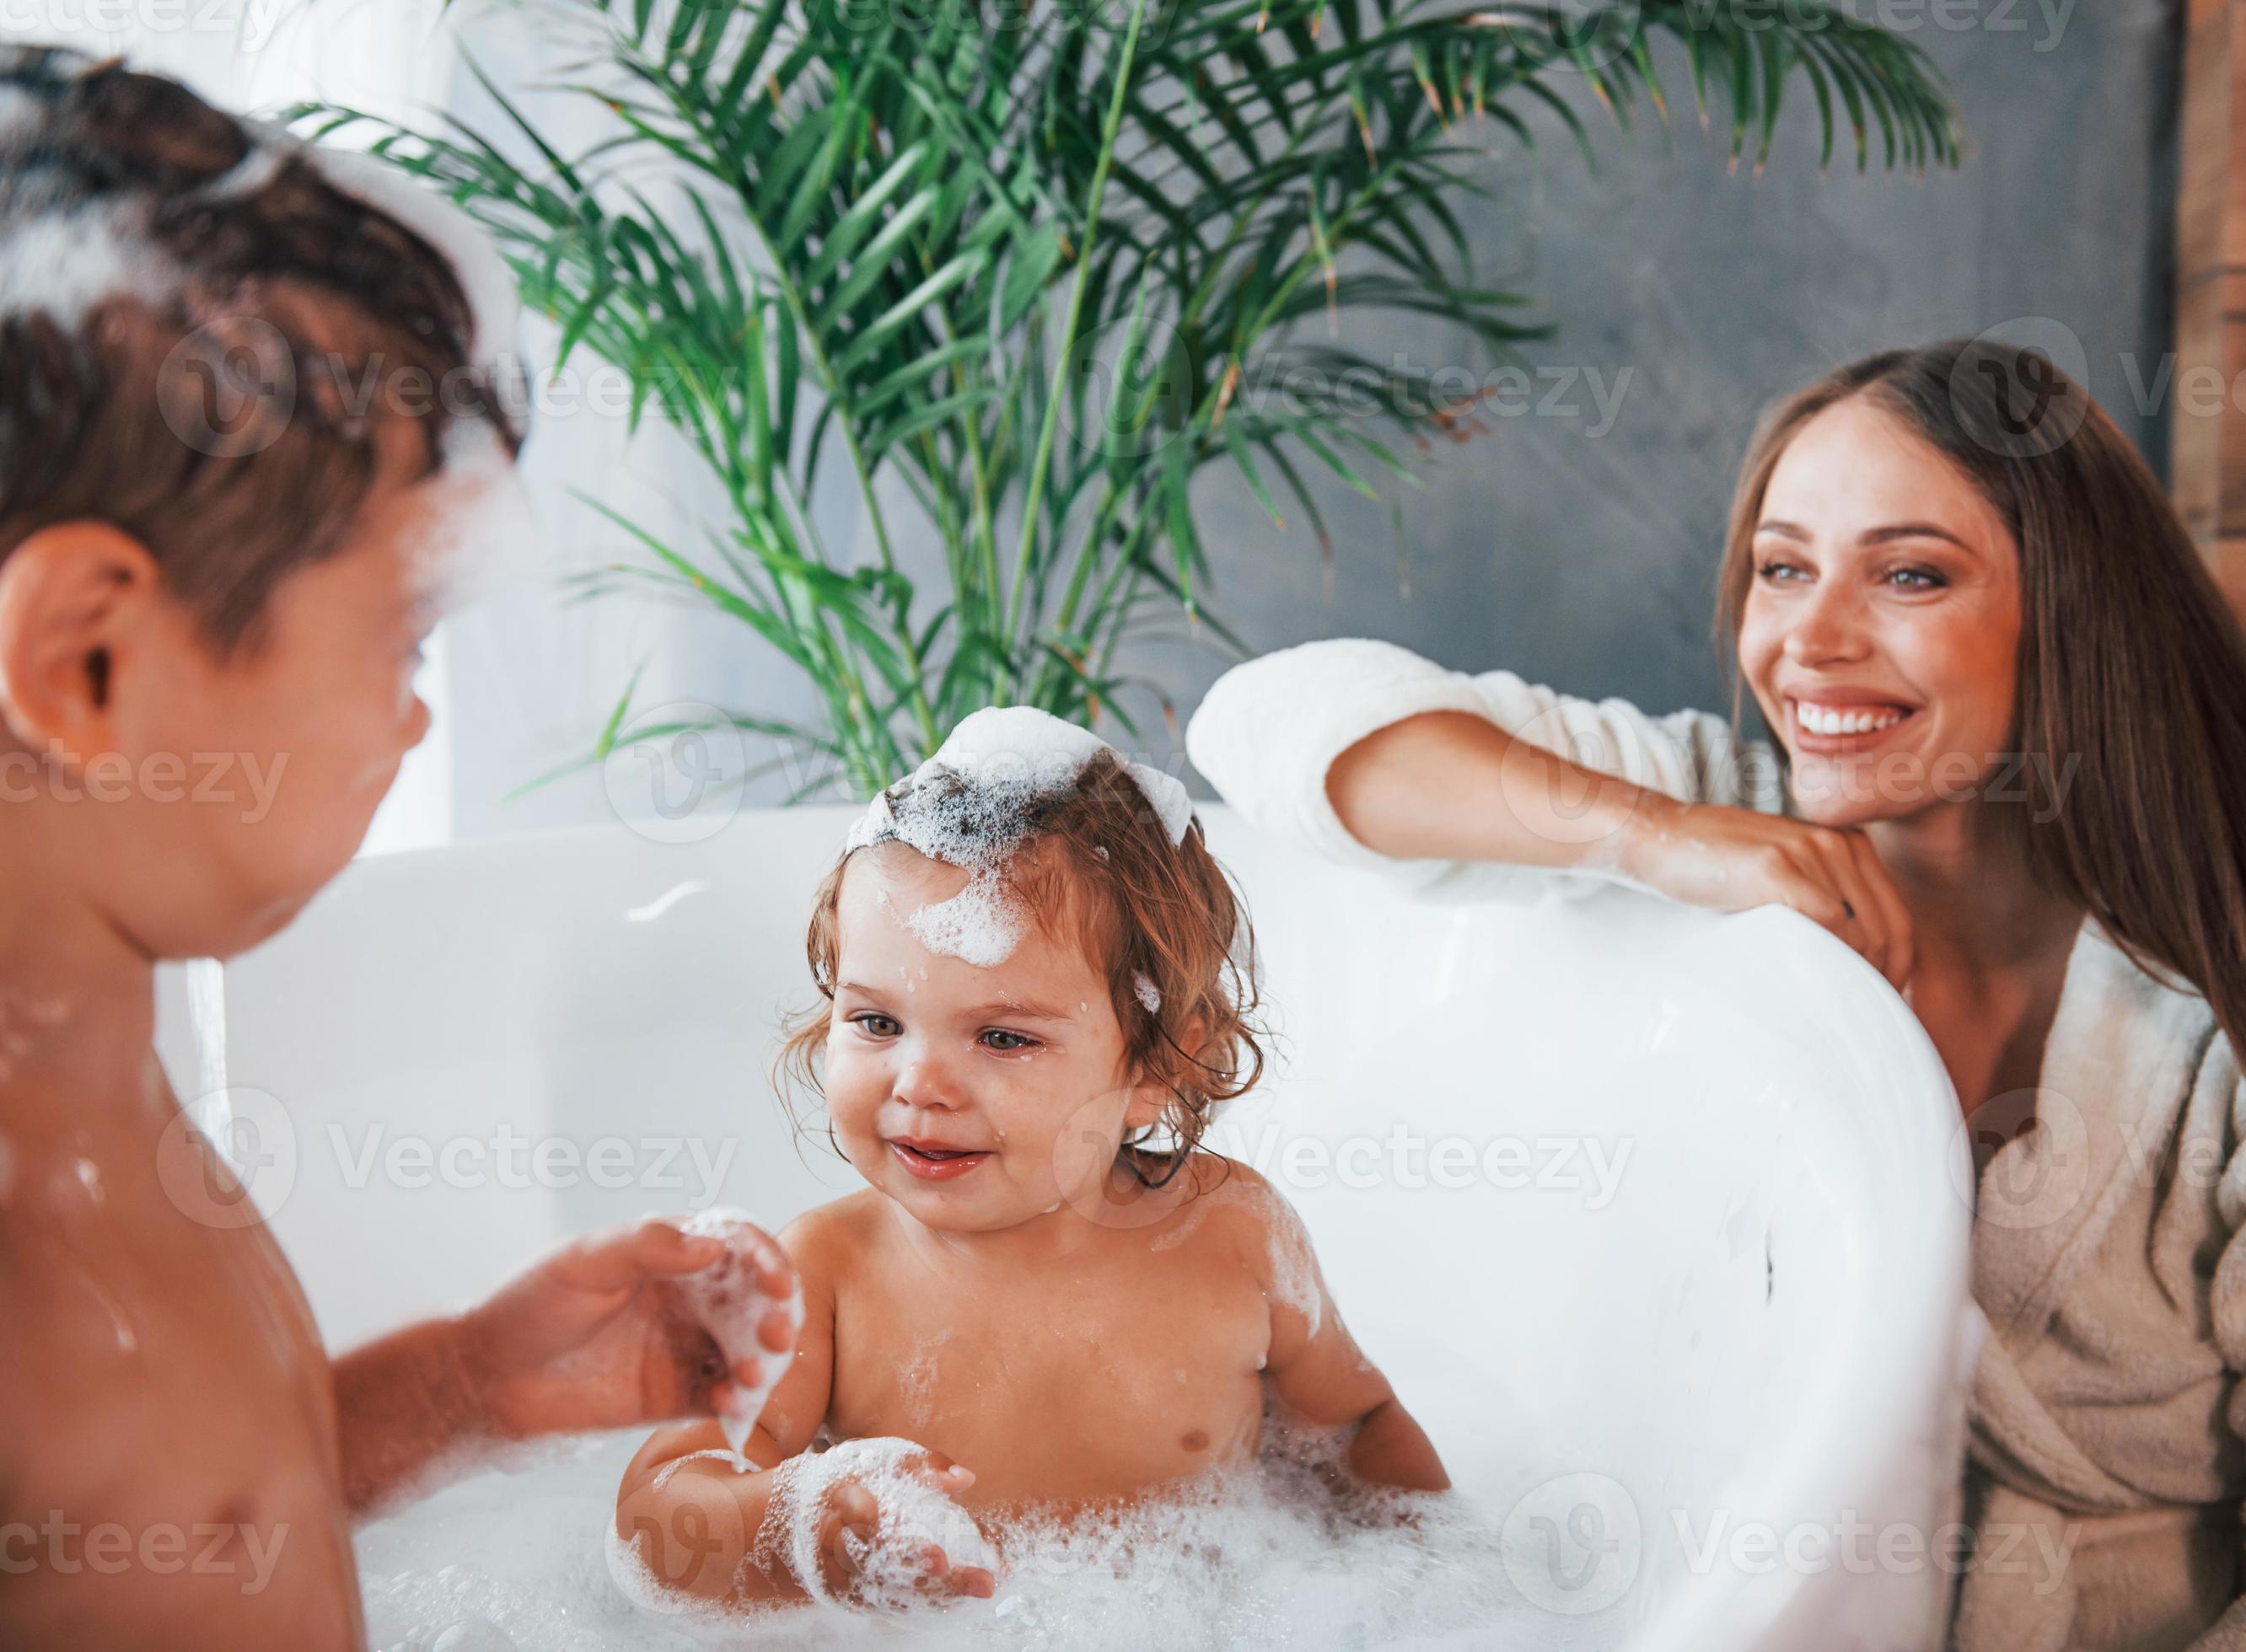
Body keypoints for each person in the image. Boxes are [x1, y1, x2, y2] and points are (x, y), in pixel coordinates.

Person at [1185, 339, 2246, 1649]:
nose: (1809, 640)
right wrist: (1651, 838)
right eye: (1783, 569)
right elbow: (1267, 724)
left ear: (2078, 613)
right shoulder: (1714, 817)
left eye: (1910, 575)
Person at [0, 47, 795, 1649]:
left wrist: (456, 1387)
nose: (417, 724)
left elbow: (162, 1522)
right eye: (405, 639)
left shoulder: (88, 1048)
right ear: (89, 660)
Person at [614, 708, 1448, 1610]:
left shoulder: (1235, 1236)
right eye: (875, 1021)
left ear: (1155, 1064)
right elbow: (661, 1506)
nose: (919, 1082)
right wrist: (802, 1528)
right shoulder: (824, 1275)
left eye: (1003, 1036)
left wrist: (1434, 1585)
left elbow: (1360, 1427)